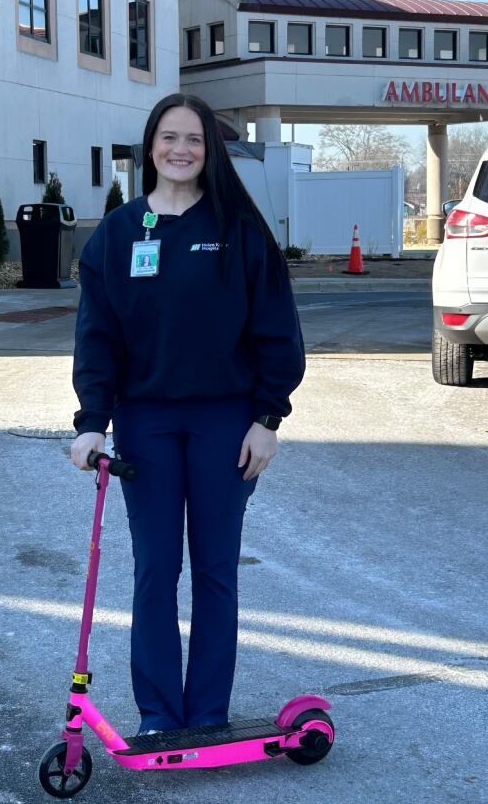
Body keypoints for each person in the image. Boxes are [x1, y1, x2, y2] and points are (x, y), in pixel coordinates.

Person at [69, 93, 306, 735]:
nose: (181, 150)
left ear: (210, 152)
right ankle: (158, 715)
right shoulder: (118, 237)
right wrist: (93, 420)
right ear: (150, 146)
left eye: (194, 140)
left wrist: (267, 418)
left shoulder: (239, 231)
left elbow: (277, 334)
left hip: (226, 424)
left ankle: (206, 714)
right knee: (155, 568)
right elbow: (98, 337)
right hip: (144, 422)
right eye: (169, 137)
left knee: (215, 570)